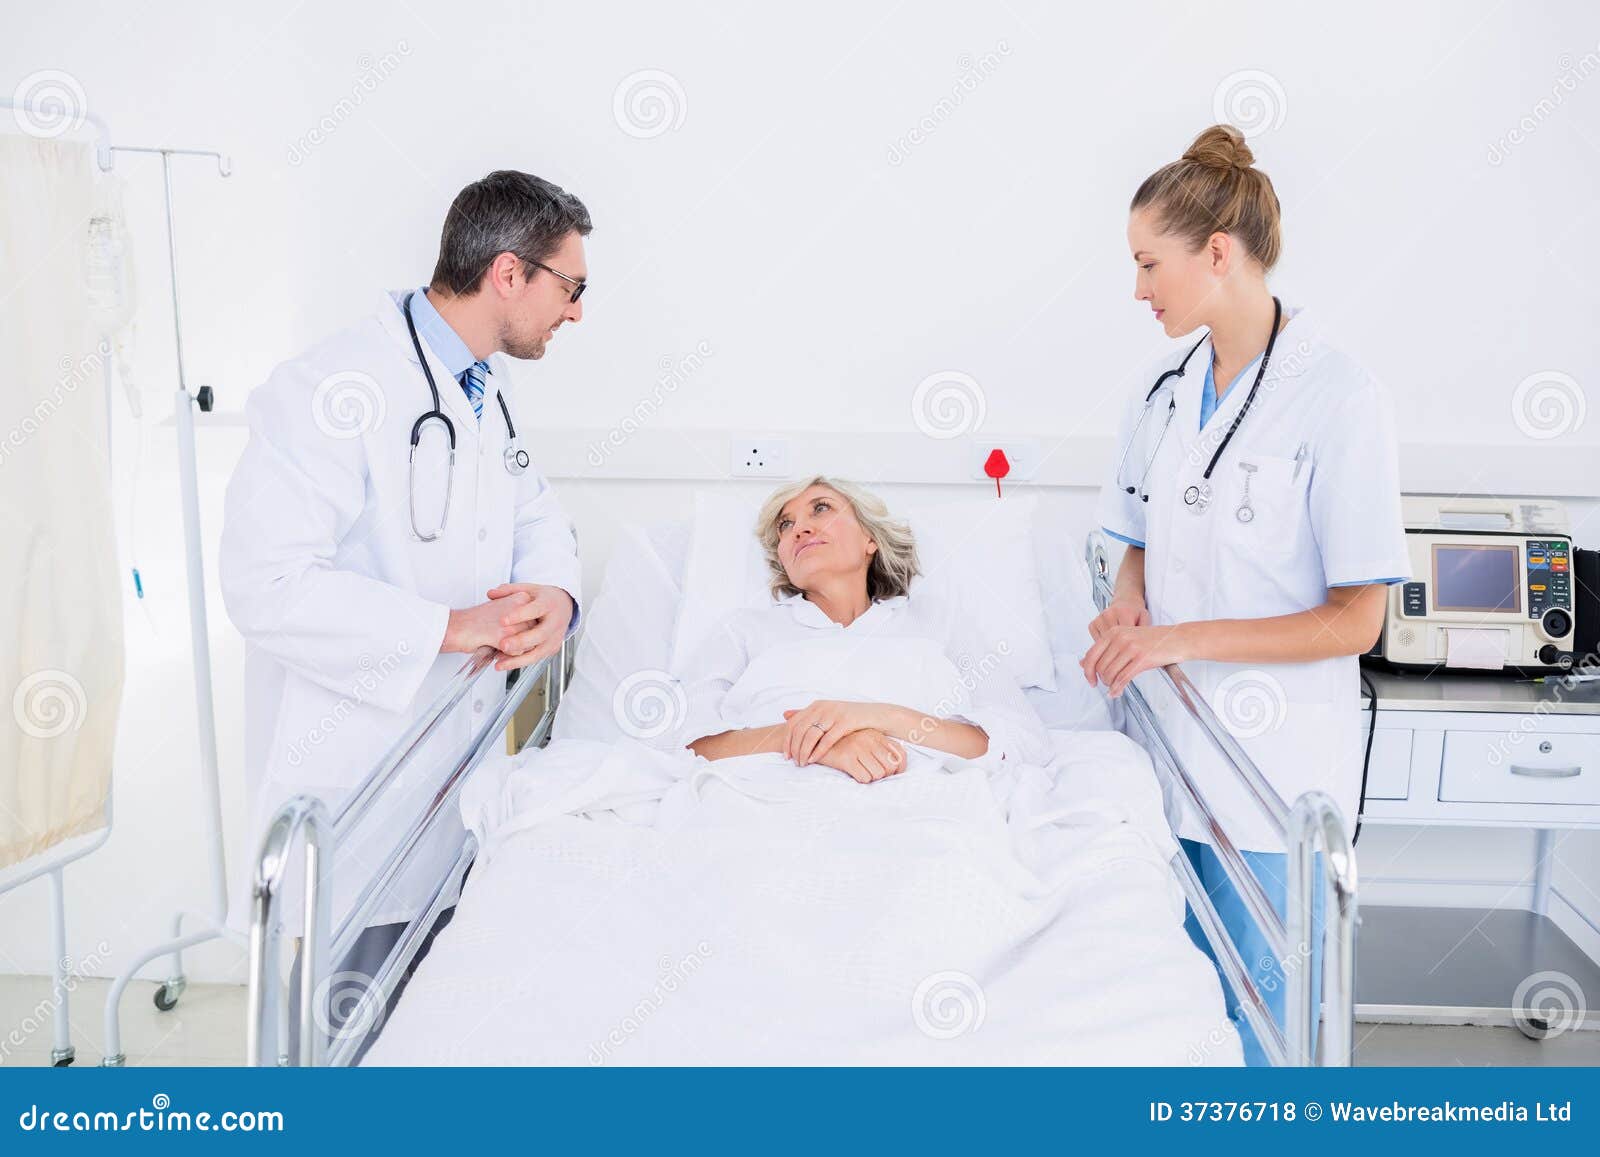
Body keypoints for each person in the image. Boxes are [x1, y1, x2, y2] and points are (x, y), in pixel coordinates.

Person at [219, 170, 590, 1060]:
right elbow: (263, 583)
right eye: (571, 288)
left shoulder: (478, 388)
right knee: (341, 1042)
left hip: (446, 777)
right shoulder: (331, 387)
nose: (576, 313)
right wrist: (446, 626)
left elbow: (535, 513)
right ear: (510, 273)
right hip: (354, 777)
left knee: (427, 1033)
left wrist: (558, 594)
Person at [1084, 124, 1410, 1064]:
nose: (1139, 289)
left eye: (1150, 264)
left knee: (1262, 1027)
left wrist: (1179, 641)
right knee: (1173, 1022)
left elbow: (1357, 616)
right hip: (1164, 757)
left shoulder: (1341, 397)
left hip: (1273, 772)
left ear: (1216, 253)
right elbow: (1138, 530)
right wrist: (1132, 605)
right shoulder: (1162, 388)